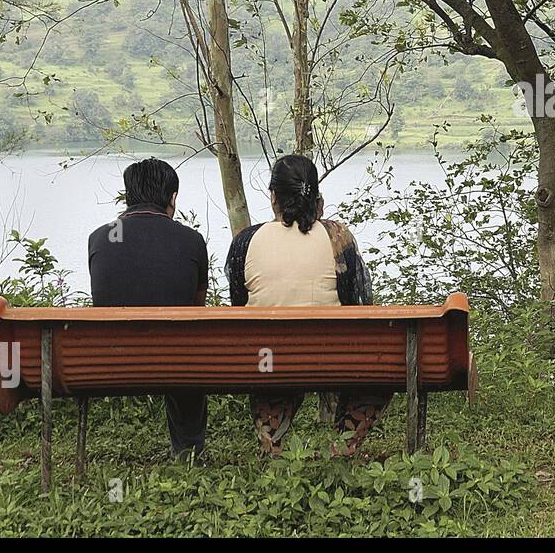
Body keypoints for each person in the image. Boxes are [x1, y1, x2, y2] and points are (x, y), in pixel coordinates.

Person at [224, 154, 389, 457]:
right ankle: (344, 444)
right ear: (316, 196)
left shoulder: (245, 242)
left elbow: (239, 306)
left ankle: (274, 441)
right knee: (380, 369)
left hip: (267, 363)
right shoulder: (337, 236)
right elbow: (357, 303)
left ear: (273, 197)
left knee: (270, 353)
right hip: (332, 360)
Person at [88, 157, 210, 460]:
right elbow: (198, 307)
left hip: (108, 363)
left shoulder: (99, 238)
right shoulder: (191, 240)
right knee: (186, 349)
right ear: (172, 198)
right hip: (176, 363)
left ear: (129, 196)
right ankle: (189, 452)